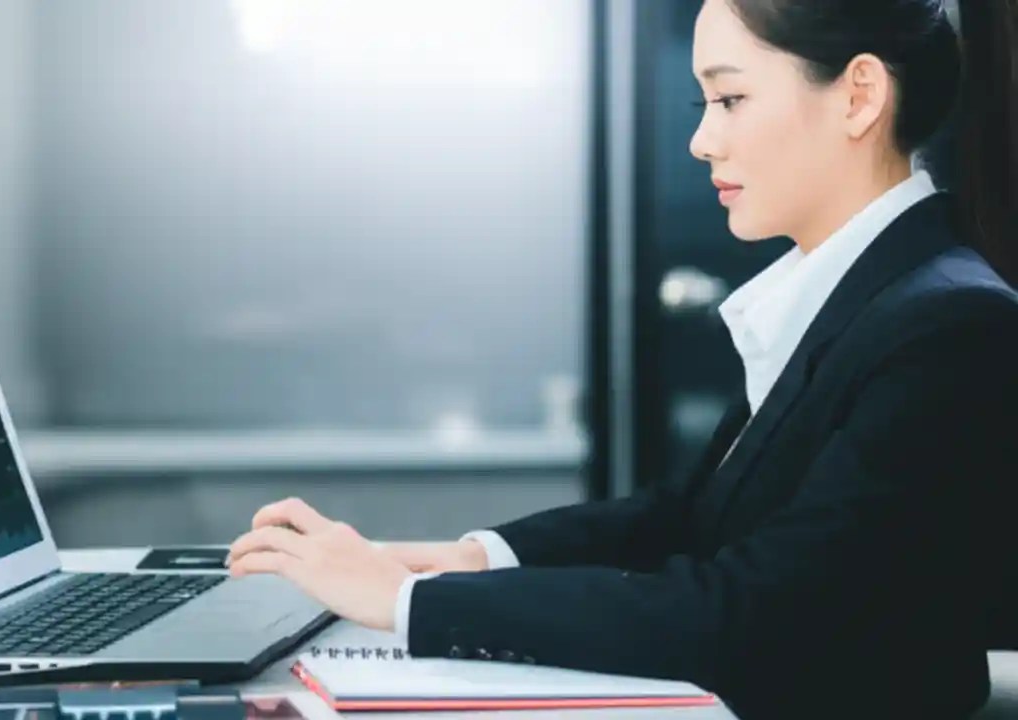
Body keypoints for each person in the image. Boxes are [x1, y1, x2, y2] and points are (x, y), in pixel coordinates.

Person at [225, 1, 1018, 717]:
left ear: (859, 96)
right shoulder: (865, 296)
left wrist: (406, 603)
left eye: (731, 98)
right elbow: (691, 520)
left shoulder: (948, 324)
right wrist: (466, 561)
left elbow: (758, 612)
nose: (703, 140)